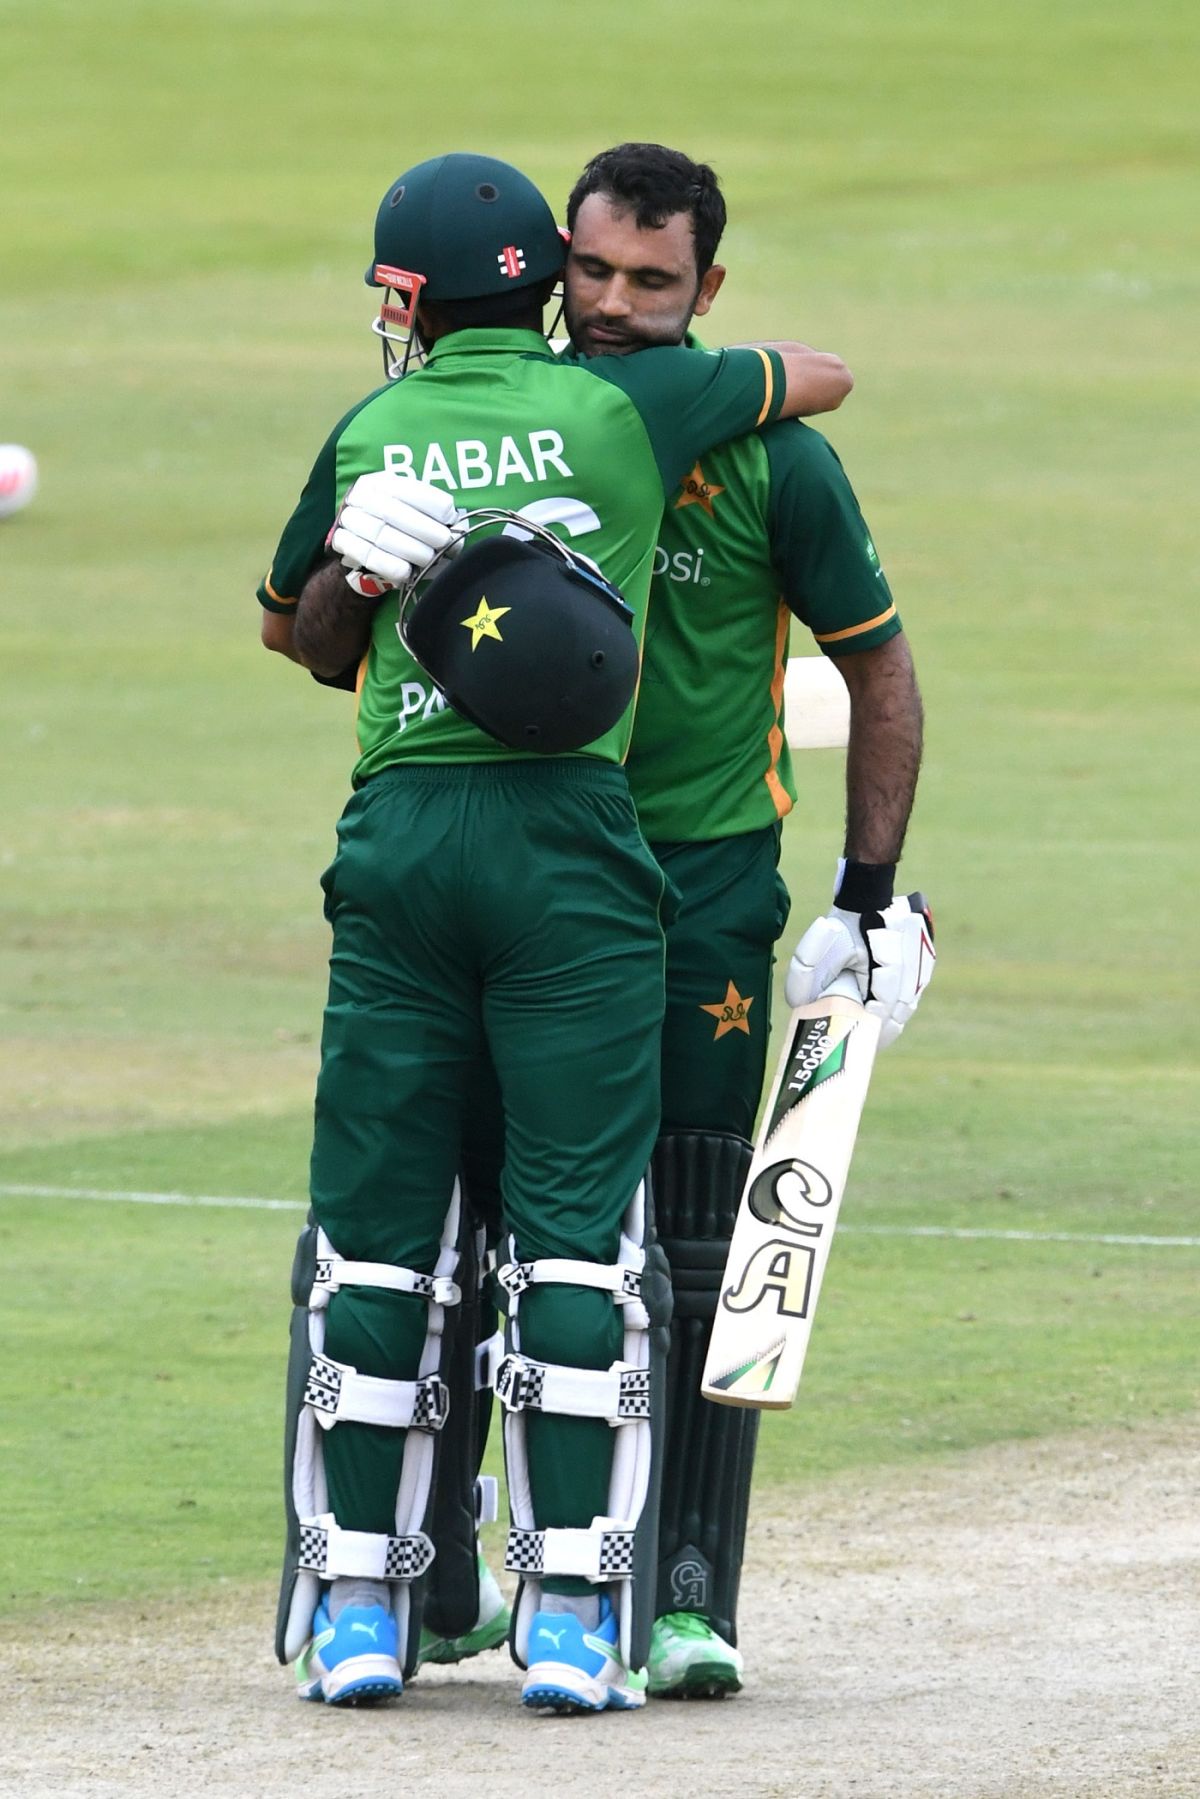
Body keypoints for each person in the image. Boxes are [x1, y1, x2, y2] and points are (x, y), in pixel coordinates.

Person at [257, 149, 853, 1716]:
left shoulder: (371, 425)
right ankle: (579, 1621)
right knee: (584, 1231)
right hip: (577, 855)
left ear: (408, 300)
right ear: (550, 283)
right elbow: (821, 375)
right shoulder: (640, 406)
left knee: (382, 1228)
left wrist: (355, 566)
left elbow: (294, 634)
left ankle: (356, 1613)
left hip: (400, 841)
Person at [417, 142, 933, 1701]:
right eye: (595, 273)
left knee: (704, 1233)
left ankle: (688, 1588)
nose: (621, 305)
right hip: (521, 866)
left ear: (711, 289)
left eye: (656, 281)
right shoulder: (509, 431)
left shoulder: (778, 456)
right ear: (551, 270)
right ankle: (445, 1570)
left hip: (703, 881)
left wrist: (868, 896)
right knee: (483, 1214)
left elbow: (883, 672)